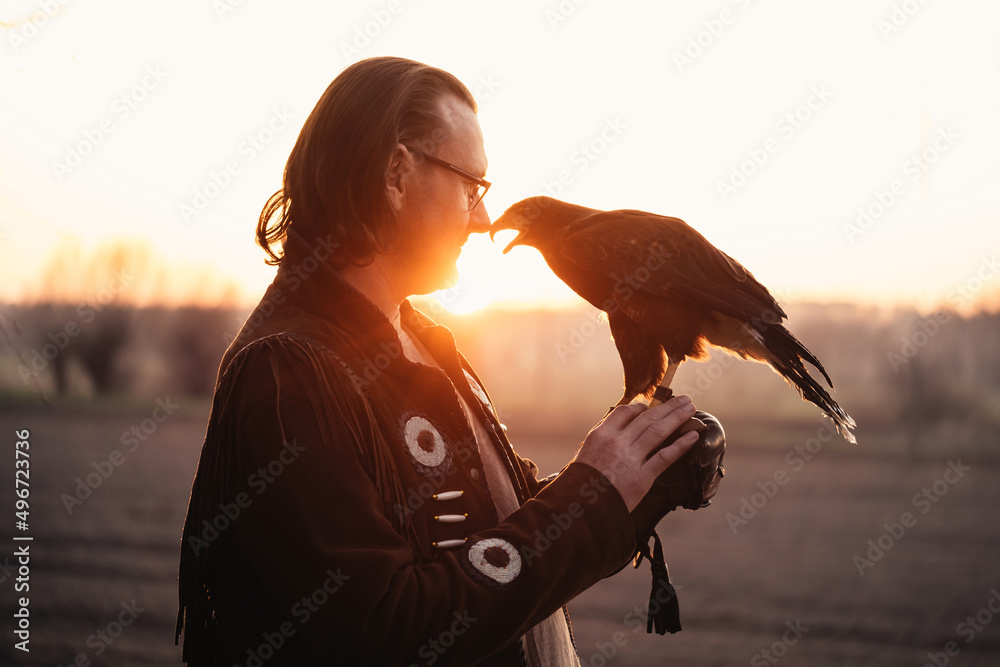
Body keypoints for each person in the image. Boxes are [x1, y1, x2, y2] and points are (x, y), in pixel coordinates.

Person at [176, 56, 725, 666]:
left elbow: (488, 539)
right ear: (395, 172)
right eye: (471, 187)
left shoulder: (421, 340)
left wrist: (636, 484)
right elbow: (387, 628)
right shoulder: (288, 376)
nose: (482, 218)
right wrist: (591, 497)